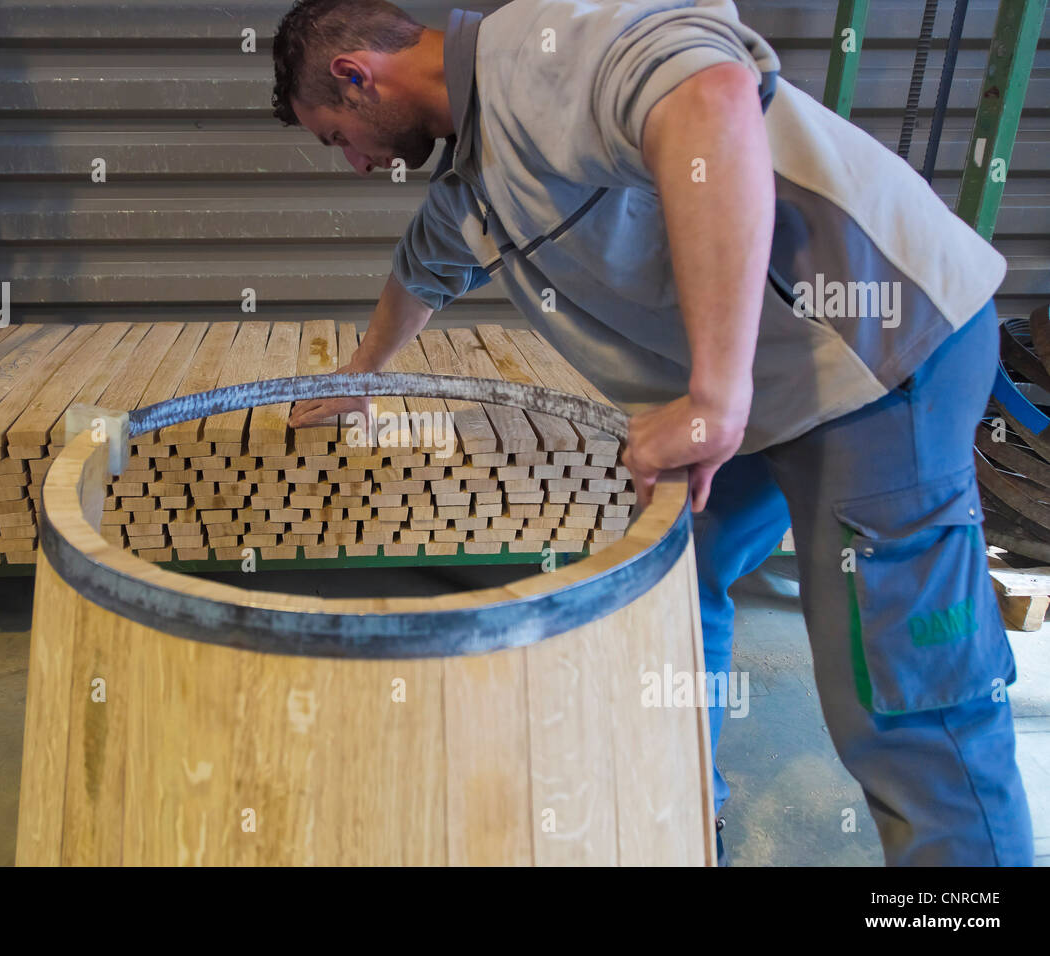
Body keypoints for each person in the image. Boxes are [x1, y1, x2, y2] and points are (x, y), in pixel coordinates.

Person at [271, 0, 1034, 866]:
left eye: (339, 139)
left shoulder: (542, 48)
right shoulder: (480, 168)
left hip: (879, 353)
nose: (360, 164)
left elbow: (711, 97)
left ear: (354, 76)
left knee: (903, 696)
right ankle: (681, 809)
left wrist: (712, 393)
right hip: (775, 385)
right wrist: (363, 374)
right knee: (670, 577)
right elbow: (429, 260)